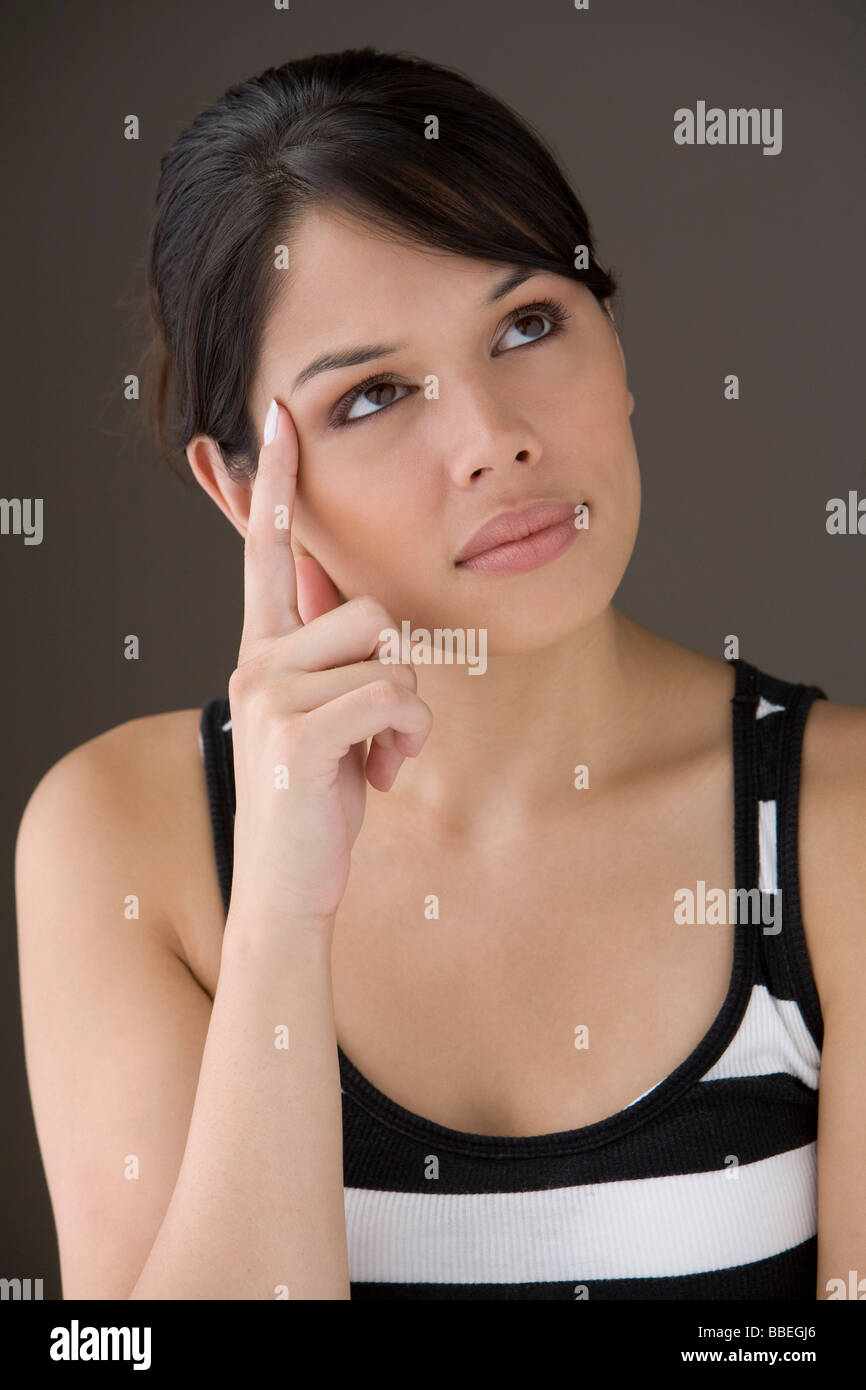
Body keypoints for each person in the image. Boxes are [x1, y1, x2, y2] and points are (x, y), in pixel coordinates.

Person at [15, 46, 866, 1302]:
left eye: (527, 324)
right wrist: (283, 914)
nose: (493, 439)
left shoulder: (834, 828)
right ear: (246, 491)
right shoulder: (122, 841)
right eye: (371, 397)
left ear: (613, 341)